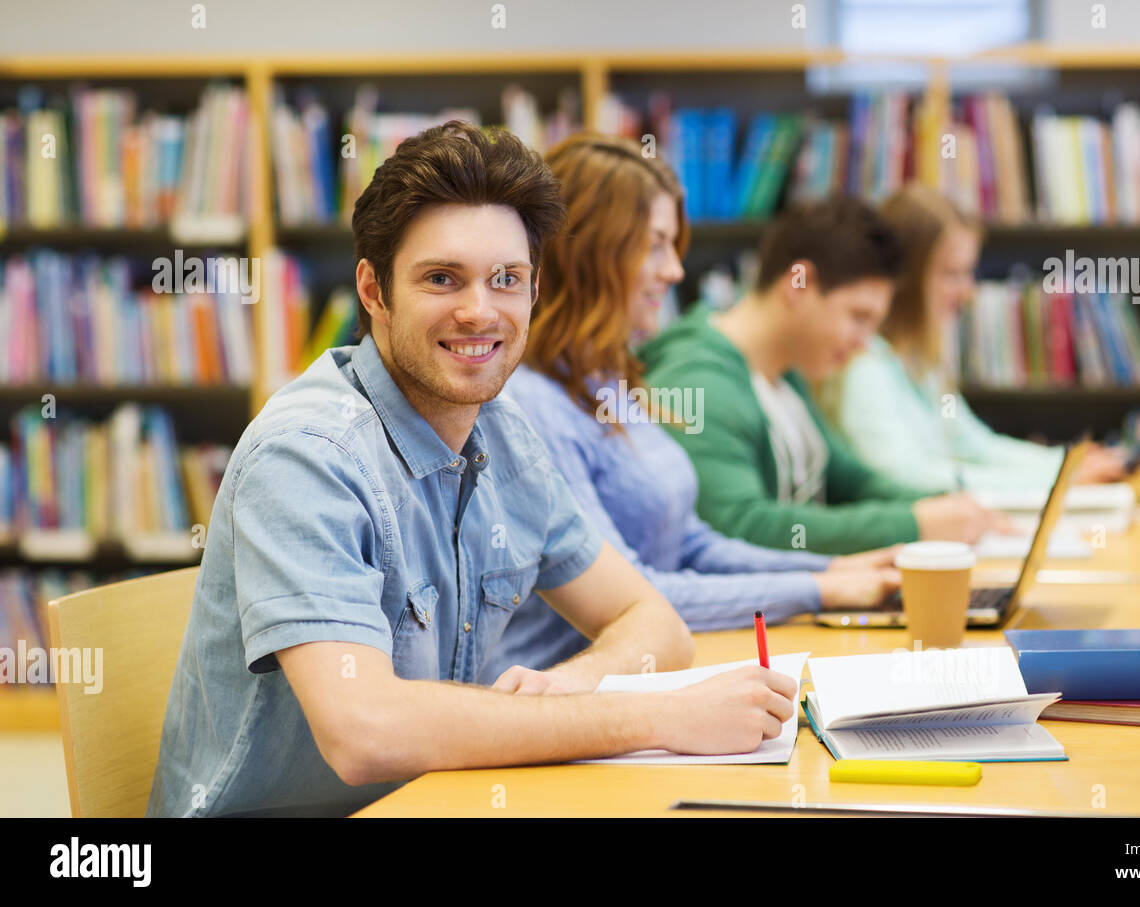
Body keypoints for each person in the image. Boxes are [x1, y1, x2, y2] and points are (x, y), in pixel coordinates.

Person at [146, 123, 796, 818]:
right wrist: (655, 717)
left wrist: (574, 686)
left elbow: (653, 621)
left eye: (506, 279)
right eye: (441, 278)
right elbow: (361, 730)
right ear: (373, 289)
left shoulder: (505, 434)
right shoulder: (308, 455)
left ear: (535, 289)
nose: (479, 310)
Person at [483, 136, 901, 681]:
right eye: (655, 245)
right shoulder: (532, 403)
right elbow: (636, 593)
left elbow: (692, 544)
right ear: (594, 250)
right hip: (555, 700)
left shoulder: (606, 379)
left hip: (636, 683)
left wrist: (831, 568)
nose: (675, 271)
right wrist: (817, 589)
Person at [639, 195, 1006, 557]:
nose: (864, 344)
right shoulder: (699, 381)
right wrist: (914, 524)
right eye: (858, 318)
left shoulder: (783, 374)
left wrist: (946, 507)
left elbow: (850, 481)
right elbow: (739, 527)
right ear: (799, 282)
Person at [823, 183, 1127, 495]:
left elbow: (977, 447)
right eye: (952, 274)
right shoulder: (864, 365)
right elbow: (906, 477)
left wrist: (1068, 464)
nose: (968, 293)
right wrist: (1058, 481)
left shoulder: (918, 364)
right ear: (906, 280)